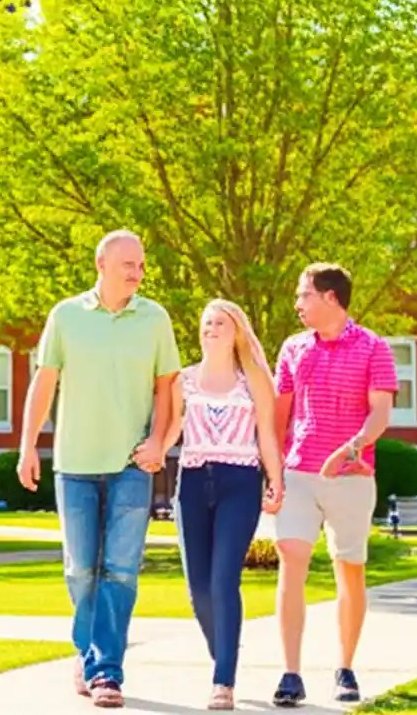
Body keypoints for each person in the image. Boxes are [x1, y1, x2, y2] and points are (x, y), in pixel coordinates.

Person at [19, 229, 181, 709]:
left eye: (142, 264)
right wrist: (29, 446)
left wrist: (157, 442)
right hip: (73, 464)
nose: (137, 272)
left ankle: (106, 671)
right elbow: (43, 384)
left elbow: (167, 389)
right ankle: (87, 651)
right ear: (101, 264)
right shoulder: (66, 316)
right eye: (128, 263)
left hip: (132, 463)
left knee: (120, 570)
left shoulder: (154, 318)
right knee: (81, 569)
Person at [270, 263, 398, 707]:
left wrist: (353, 446)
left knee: (349, 568)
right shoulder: (292, 348)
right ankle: (291, 673)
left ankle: (345, 667)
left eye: (305, 295)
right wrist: (271, 469)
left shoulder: (374, 348)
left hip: (351, 477)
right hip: (299, 472)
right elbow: (279, 414)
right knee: (292, 558)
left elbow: (380, 413)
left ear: (330, 298)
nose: (298, 303)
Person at [157, 299, 284, 711]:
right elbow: (173, 428)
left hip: (240, 483)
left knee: (224, 580)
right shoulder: (184, 380)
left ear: (237, 333)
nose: (211, 328)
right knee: (198, 589)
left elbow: (267, 435)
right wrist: (153, 450)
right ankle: (225, 651)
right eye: (206, 322)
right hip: (192, 483)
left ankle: (223, 680)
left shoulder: (255, 382)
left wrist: (275, 480)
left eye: (220, 323)